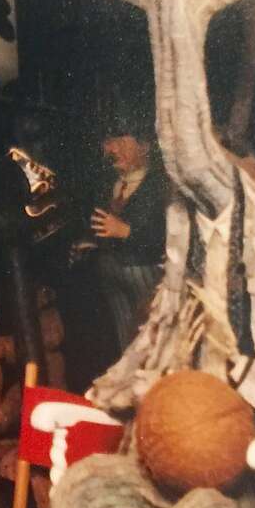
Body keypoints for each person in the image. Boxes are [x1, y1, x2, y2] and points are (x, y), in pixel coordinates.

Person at [65, 115, 167, 388]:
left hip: (144, 276)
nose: (111, 148)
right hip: (112, 279)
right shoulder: (107, 186)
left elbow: (170, 235)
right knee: (125, 342)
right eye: (108, 141)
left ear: (144, 145)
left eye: (121, 140)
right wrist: (92, 243)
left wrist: (128, 232)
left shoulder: (160, 186)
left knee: (152, 339)